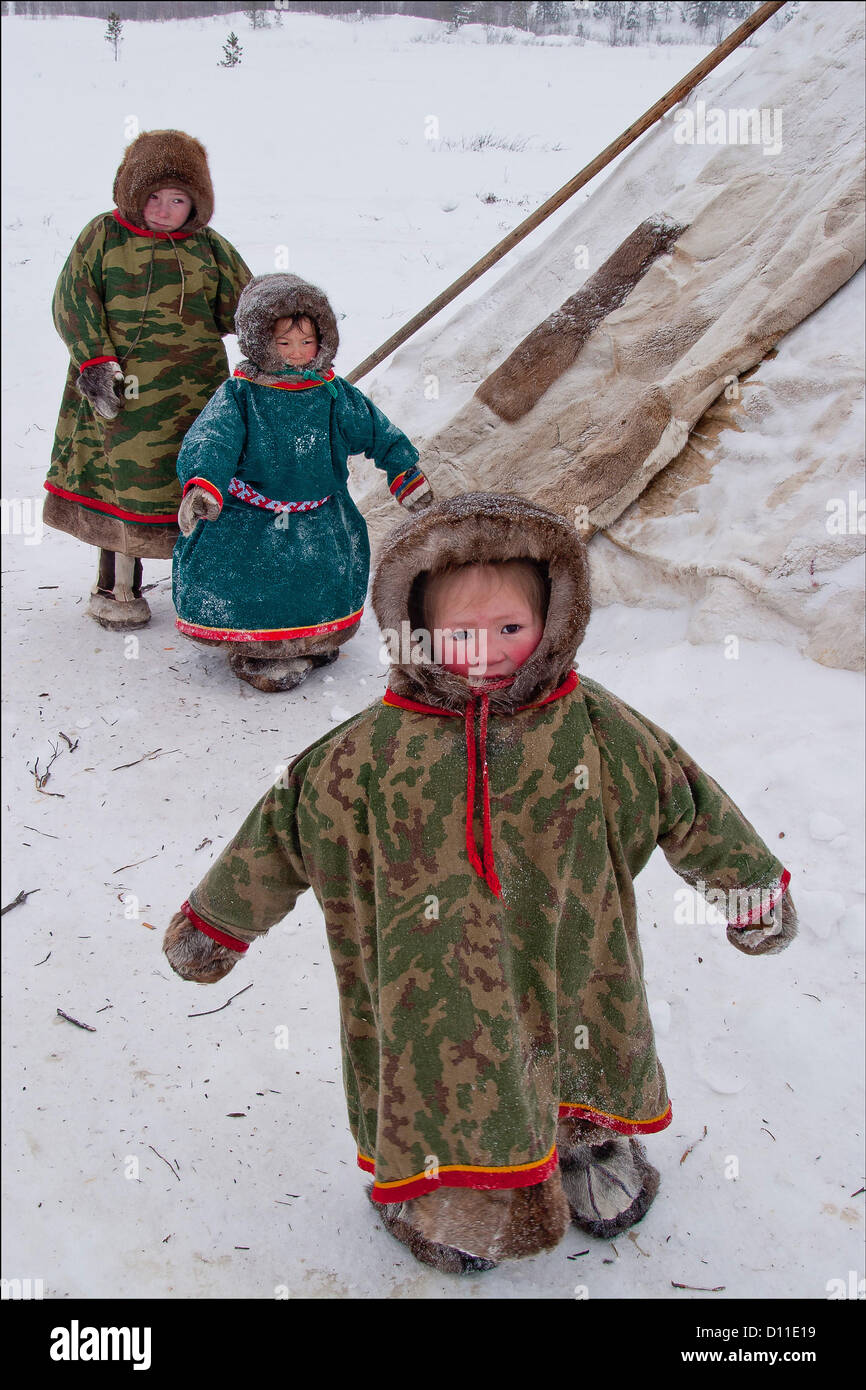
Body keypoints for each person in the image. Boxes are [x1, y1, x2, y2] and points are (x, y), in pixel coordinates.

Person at [161, 492, 796, 1273]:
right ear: (415, 631)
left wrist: (749, 890)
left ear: (555, 619)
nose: (488, 651)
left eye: (511, 628)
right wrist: (218, 924)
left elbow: (687, 799)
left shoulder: (596, 728)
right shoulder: (369, 752)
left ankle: (586, 1141)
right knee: (443, 1073)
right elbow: (284, 828)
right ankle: (434, 1183)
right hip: (429, 981)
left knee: (584, 1040)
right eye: (459, 633)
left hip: (572, 946)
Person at [172, 272, 432, 691]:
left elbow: (376, 429)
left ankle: (315, 634)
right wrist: (204, 483)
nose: (297, 353)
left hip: (319, 513)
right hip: (254, 517)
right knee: (262, 585)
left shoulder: (332, 392)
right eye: (284, 343)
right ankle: (259, 651)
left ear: (323, 340)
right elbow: (212, 439)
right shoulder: (242, 394)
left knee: (320, 578)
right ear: (260, 342)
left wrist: (403, 469)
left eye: (307, 342)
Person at [43, 129, 252, 629]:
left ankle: (206, 590)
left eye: (177, 199)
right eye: (152, 197)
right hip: (120, 394)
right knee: (120, 484)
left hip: (193, 398)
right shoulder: (103, 236)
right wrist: (94, 362)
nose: (163, 209)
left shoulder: (209, 248)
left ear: (196, 203)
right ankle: (117, 587)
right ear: (131, 194)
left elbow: (248, 309)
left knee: (197, 482)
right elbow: (73, 300)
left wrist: (287, 337)